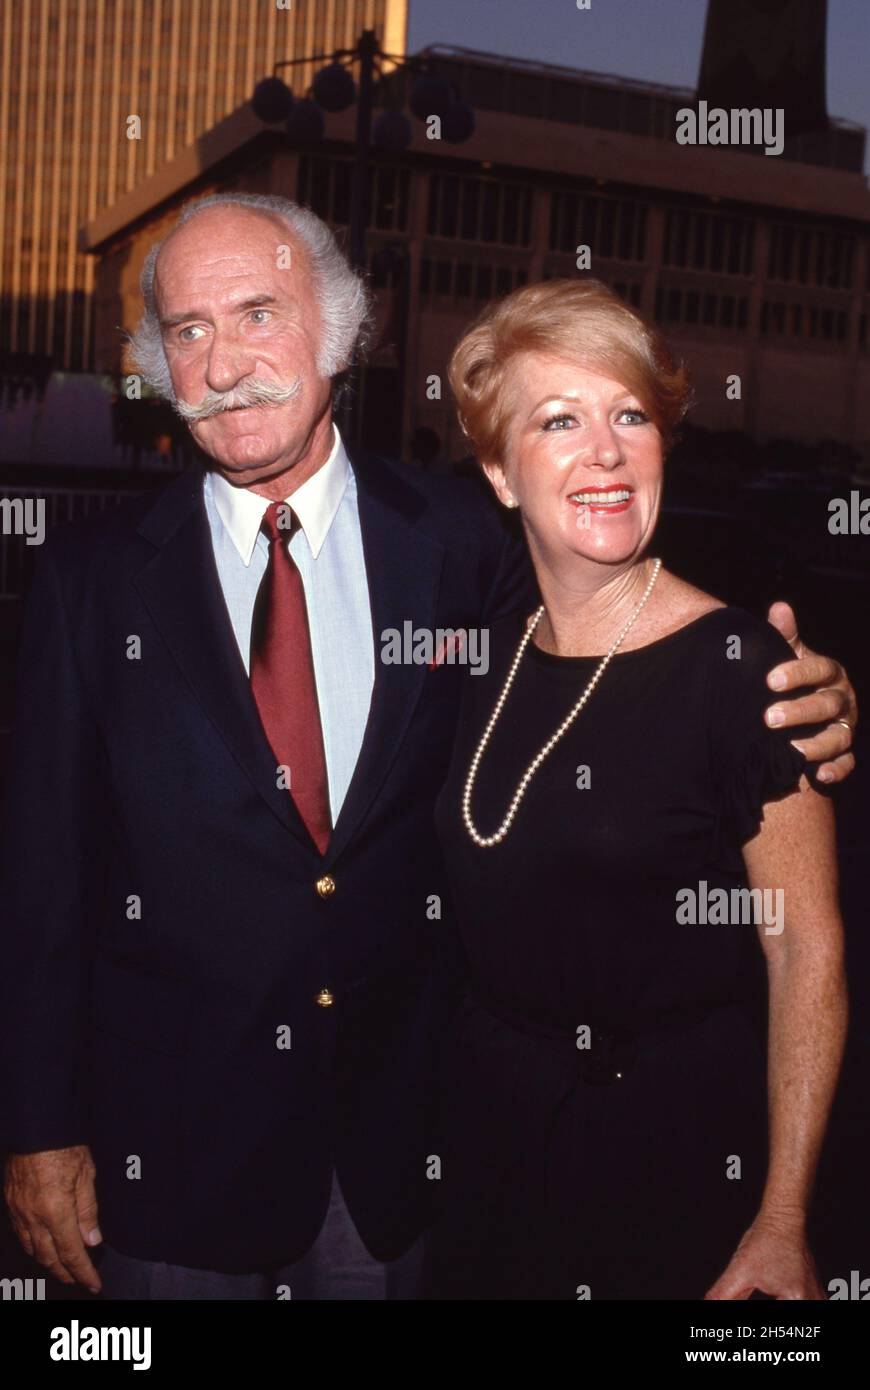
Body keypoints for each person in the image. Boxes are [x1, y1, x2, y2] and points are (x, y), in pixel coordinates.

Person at [0, 200, 856, 1301]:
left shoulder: (457, 544)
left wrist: (807, 686)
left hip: (402, 1158)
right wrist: (35, 1129)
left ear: (341, 330)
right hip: (166, 1164)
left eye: (259, 312)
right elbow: (41, 881)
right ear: (159, 365)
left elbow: (613, 636)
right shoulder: (90, 578)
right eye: (190, 329)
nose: (225, 361)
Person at [427, 279, 850, 1301]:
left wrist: (784, 1216)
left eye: (630, 415)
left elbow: (807, 948)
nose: (606, 451)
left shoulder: (744, 666)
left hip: (670, 1172)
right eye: (559, 420)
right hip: (487, 1161)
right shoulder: (484, 654)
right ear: (498, 469)